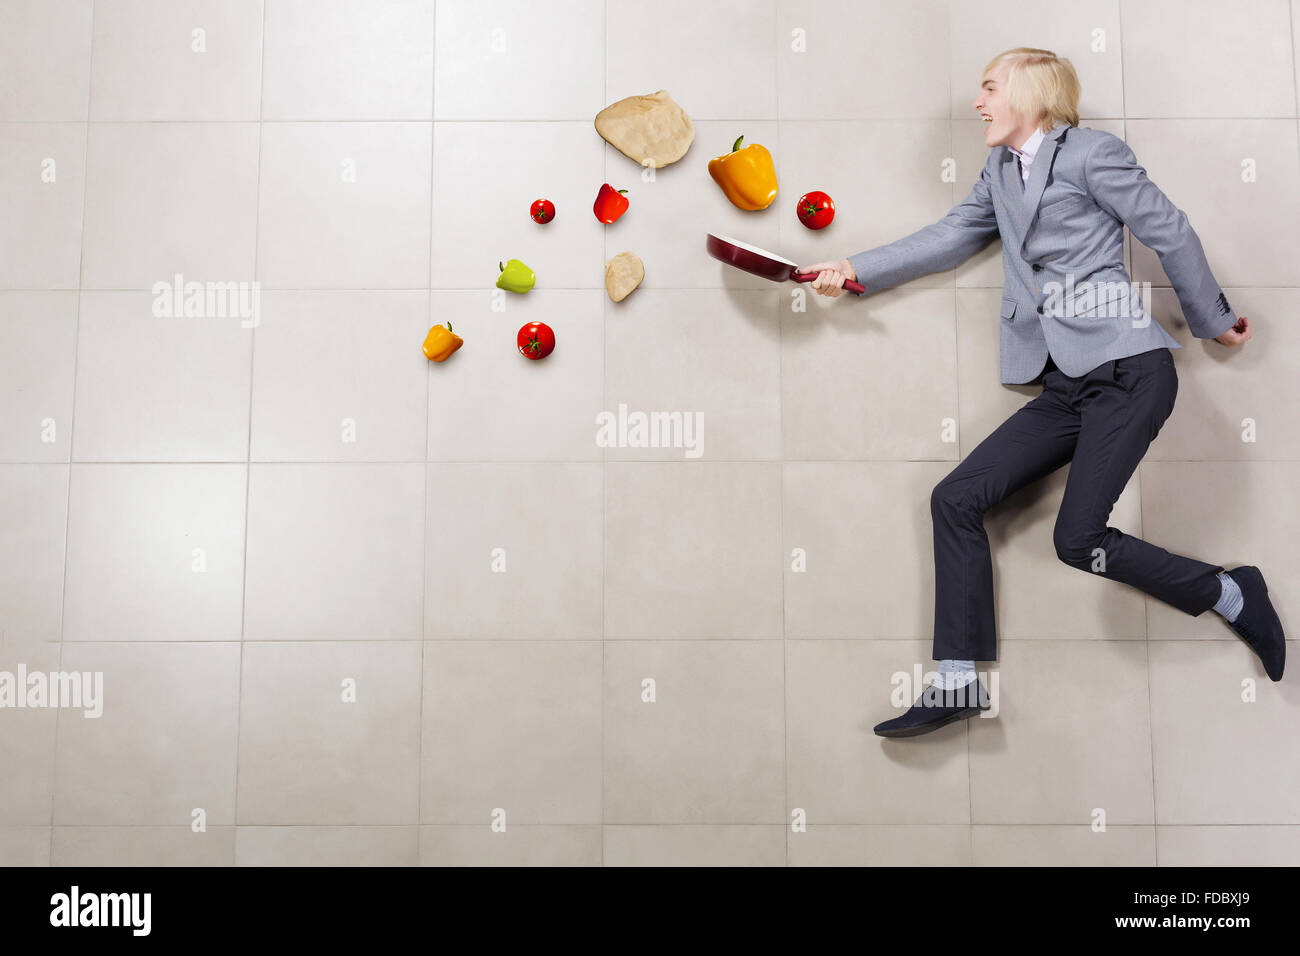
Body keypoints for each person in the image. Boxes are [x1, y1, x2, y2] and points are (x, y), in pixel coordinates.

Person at [799, 47, 1285, 739]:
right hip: (1067, 383)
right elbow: (951, 235)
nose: (978, 102)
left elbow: (1167, 229)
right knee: (955, 498)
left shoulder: (1091, 153)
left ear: (1031, 90)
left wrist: (1211, 320)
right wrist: (853, 268)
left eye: (990, 87)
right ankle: (958, 682)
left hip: (1128, 370)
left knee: (1076, 539)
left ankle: (1231, 592)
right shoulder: (999, 170)